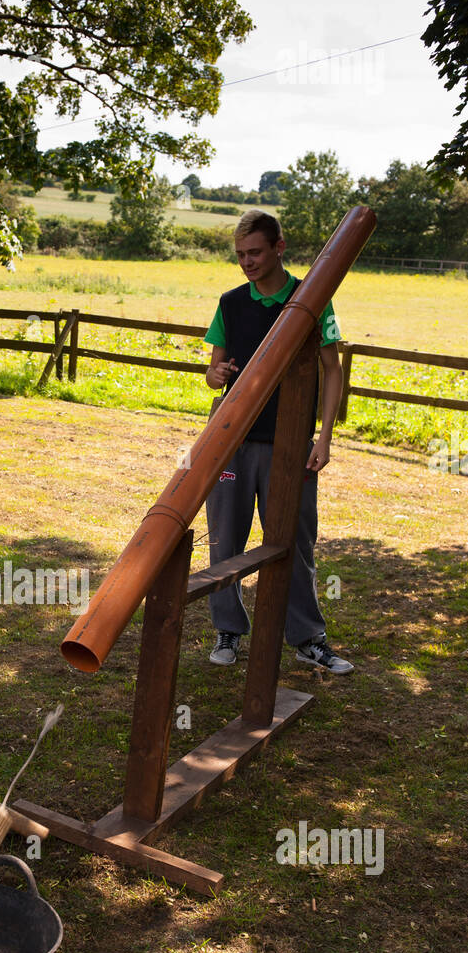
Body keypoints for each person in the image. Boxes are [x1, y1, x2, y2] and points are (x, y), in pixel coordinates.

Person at [203, 210, 353, 674]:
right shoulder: (230, 303)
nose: (247, 262)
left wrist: (324, 438)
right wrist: (216, 373)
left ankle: (307, 638)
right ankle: (228, 630)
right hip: (231, 441)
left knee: (294, 541)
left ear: (278, 248)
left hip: (290, 446)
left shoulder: (311, 299)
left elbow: (333, 370)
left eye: (255, 253)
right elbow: (212, 374)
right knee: (225, 540)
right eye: (240, 255)